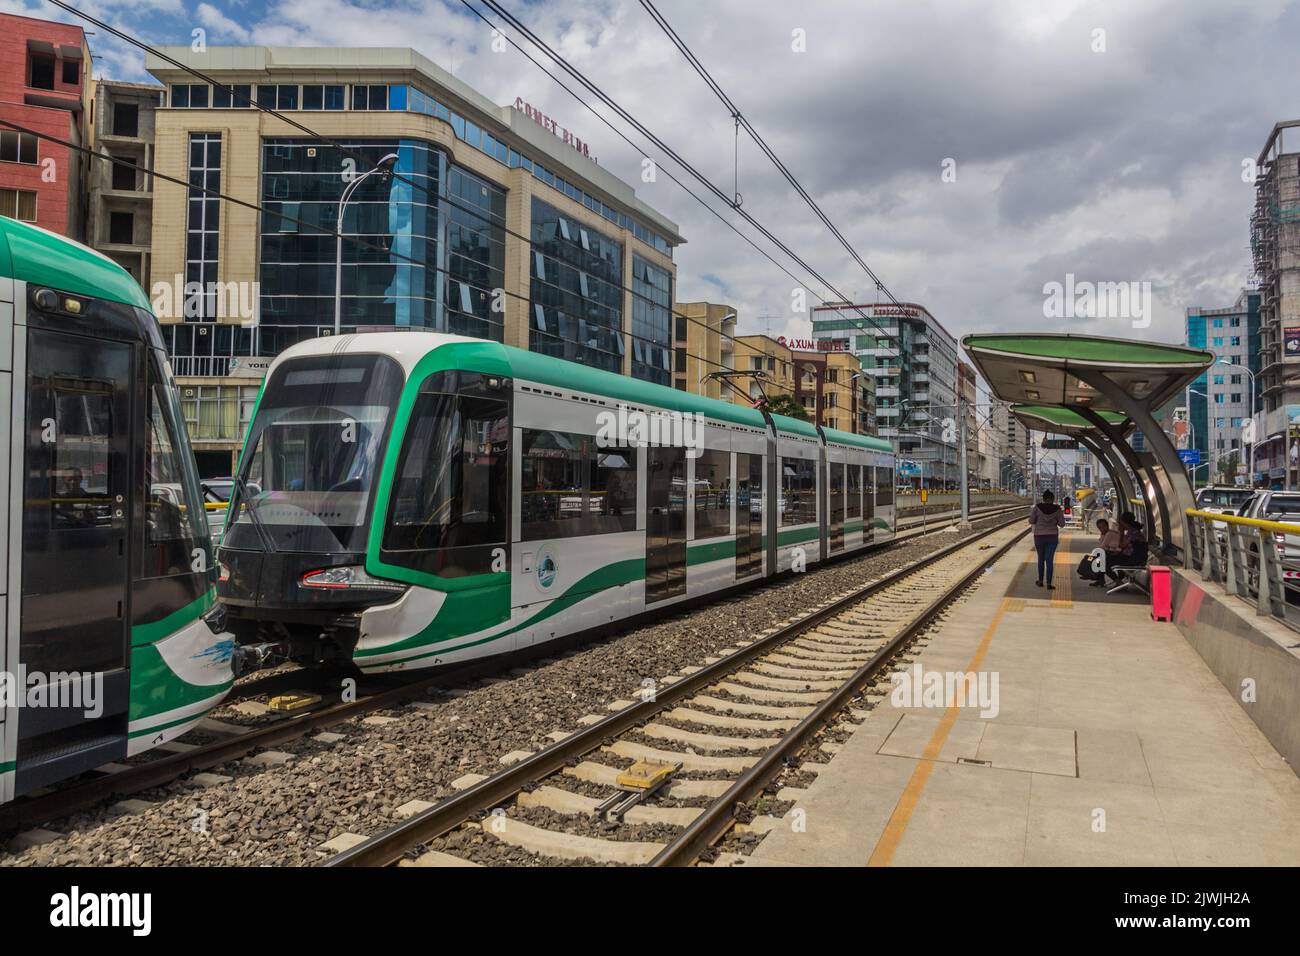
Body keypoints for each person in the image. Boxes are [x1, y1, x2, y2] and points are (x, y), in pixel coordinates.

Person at [1029, 490, 1066, 589]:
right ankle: (1049, 583)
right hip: (1052, 537)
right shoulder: (1057, 509)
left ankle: (1040, 581)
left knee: (1040, 559)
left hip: (1039, 536)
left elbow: (1031, 521)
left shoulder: (1037, 508)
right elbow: (1062, 524)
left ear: (1044, 498)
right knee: (1049, 560)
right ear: (1053, 499)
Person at [1079, 517, 1124, 587]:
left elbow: (1102, 546)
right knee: (1099, 560)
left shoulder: (1109, 533)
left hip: (1116, 553)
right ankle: (1098, 579)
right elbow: (1103, 545)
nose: (1102, 529)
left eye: (1104, 526)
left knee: (1098, 561)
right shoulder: (1105, 533)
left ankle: (1091, 575)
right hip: (1111, 552)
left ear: (1107, 526)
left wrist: (1093, 554)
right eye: (1100, 527)